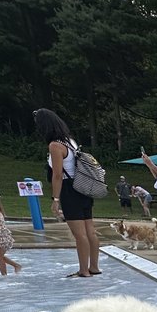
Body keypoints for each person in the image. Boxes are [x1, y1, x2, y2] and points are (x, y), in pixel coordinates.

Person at [34, 107, 100, 278]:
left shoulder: (55, 146)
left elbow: (57, 175)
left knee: (79, 234)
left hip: (70, 189)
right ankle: (94, 266)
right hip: (84, 187)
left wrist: (56, 199)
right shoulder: (70, 142)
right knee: (90, 230)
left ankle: (83, 270)